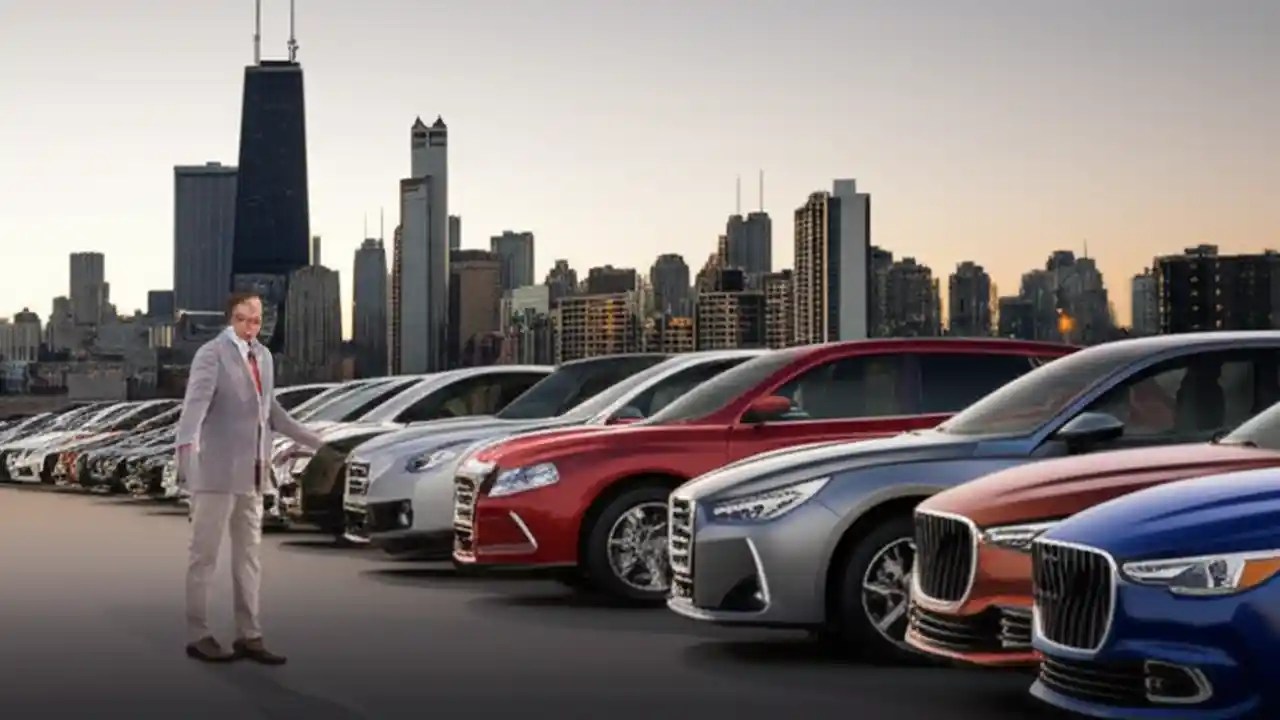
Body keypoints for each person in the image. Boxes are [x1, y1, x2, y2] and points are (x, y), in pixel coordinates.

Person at [175, 291, 328, 664]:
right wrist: (183, 463)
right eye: (243, 319)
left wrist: (315, 442)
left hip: (253, 474)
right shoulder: (211, 354)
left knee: (249, 557)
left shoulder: (264, 357)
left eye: (256, 320)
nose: (250, 326)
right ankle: (199, 633)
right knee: (204, 556)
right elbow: (193, 410)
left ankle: (250, 634)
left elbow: (271, 411)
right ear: (231, 319)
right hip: (214, 473)